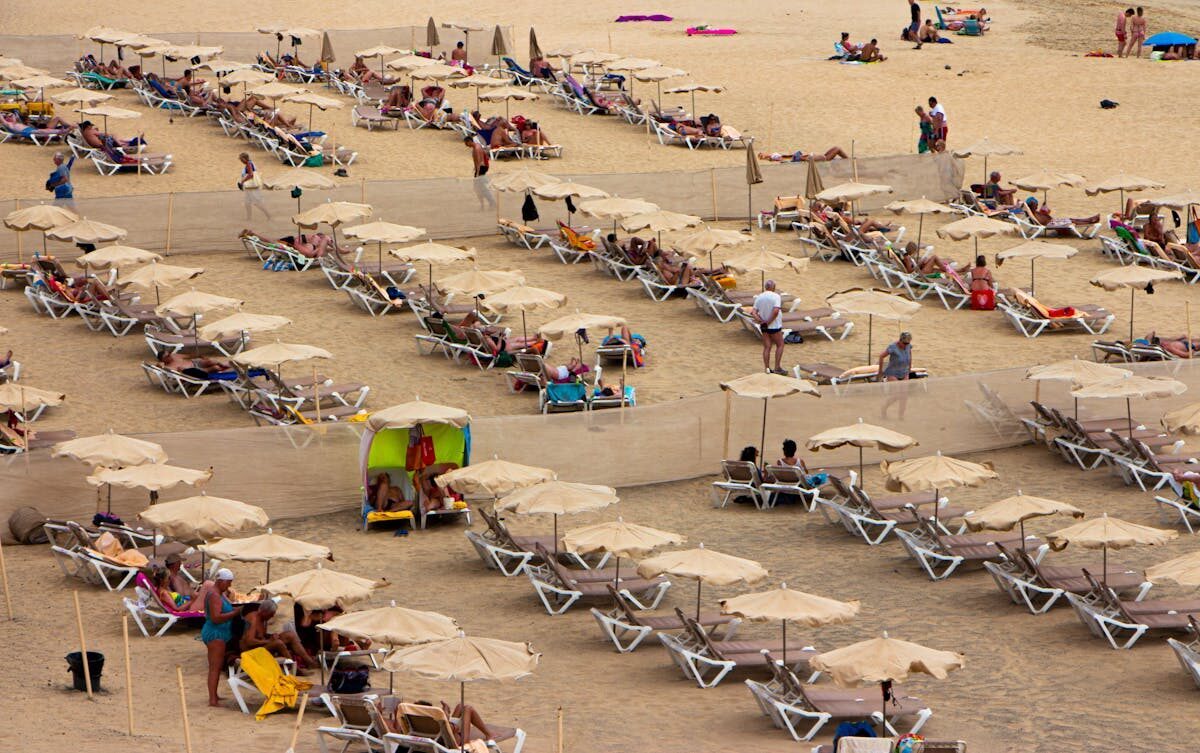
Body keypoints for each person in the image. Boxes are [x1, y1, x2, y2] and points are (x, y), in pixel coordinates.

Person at [203, 568, 243, 707]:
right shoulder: (214, 595)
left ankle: (214, 695)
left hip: (219, 632)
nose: (229, 586)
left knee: (216, 666)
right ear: (221, 581)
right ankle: (212, 699)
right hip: (215, 633)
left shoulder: (218, 593)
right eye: (228, 583)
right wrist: (234, 614)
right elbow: (216, 618)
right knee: (215, 667)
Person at [241, 599, 316, 669]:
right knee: (278, 643)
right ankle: (295, 668)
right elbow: (249, 641)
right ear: (264, 612)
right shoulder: (253, 619)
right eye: (271, 614)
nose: (272, 616)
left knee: (290, 635)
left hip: (261, 645)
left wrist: (271, 636)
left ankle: (309, 661)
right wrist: (268, 641)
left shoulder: (263, 619)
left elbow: (260, 635)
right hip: (251, 651)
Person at [753, 279, 786, 374]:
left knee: (767, 347)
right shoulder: (776, 296)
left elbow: (754, 312)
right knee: (780, 345)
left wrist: (760, 320)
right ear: (773, 287)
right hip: (774, 325)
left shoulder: (759, 297)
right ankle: (777, 367)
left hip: (763, 326)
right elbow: (775, 311)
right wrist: (768, 321)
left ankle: (767, 368)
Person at [237, 152, 270, 221]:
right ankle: (249, 218)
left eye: (241, 159)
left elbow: (251, 174)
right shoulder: (250, 163)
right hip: (251, 187)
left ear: (244, 159)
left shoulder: (248, 164)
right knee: (247, 203)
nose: (241, 161)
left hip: (251, 187)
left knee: (255, 202)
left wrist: (243, 181)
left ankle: (268, 215)